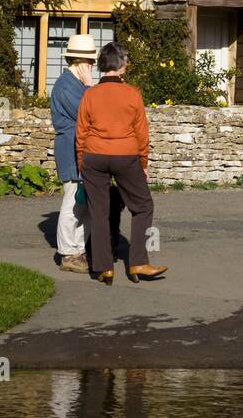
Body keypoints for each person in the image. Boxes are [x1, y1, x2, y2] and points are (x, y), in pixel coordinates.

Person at [75, 40, 166, 285]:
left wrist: (82, 162)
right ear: (123, 66)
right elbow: (141, 133)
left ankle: (104, 267)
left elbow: (81, 132)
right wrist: (143, 163)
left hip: (94, 156)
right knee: (143, 206)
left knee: (99, 210)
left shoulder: (90, 94)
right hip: (125, 156)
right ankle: (138, 261)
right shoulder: (132, 94)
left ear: (102, 66)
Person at [50, 33, 97, 274]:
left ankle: (78, 249)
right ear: (78, 62)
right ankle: (68, 252)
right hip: (71, 148)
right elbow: (88, 114)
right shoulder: (67, 85)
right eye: (89, 62)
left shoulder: (76, 85)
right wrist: (90, 86)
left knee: (83, 203)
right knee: (72, 202)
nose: (91, 66)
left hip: (82, 149)